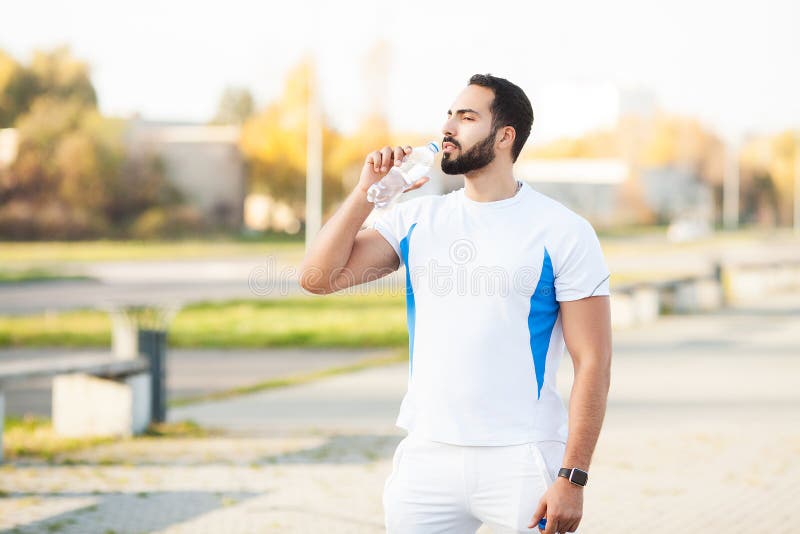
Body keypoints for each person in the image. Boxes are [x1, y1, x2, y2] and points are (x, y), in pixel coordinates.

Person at [299, 74, 612, 534]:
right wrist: (368, 192)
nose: (449, 126)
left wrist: (573, 476)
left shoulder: (562, 230)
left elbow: (594, 361)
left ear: (505, 136)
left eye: (467, 117)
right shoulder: (416, 218)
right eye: (449, 114)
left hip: (522, 457)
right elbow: (316, 278)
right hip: (427, 456)